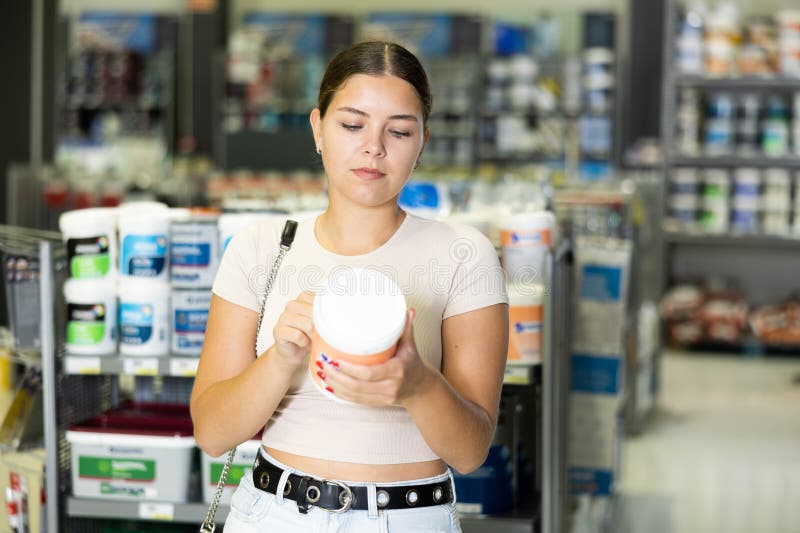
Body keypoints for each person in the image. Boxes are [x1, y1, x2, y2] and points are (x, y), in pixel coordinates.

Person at [191, 41, 509, 532]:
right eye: (352, 125)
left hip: (408, 519)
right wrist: (281, 357)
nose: (374, 148)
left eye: (399, 131)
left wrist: (418, 383)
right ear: (318, 128)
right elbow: (212, 434)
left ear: (422, 143)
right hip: (275, 515)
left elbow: (470, 452)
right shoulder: (261, 248)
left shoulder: (464, 254)